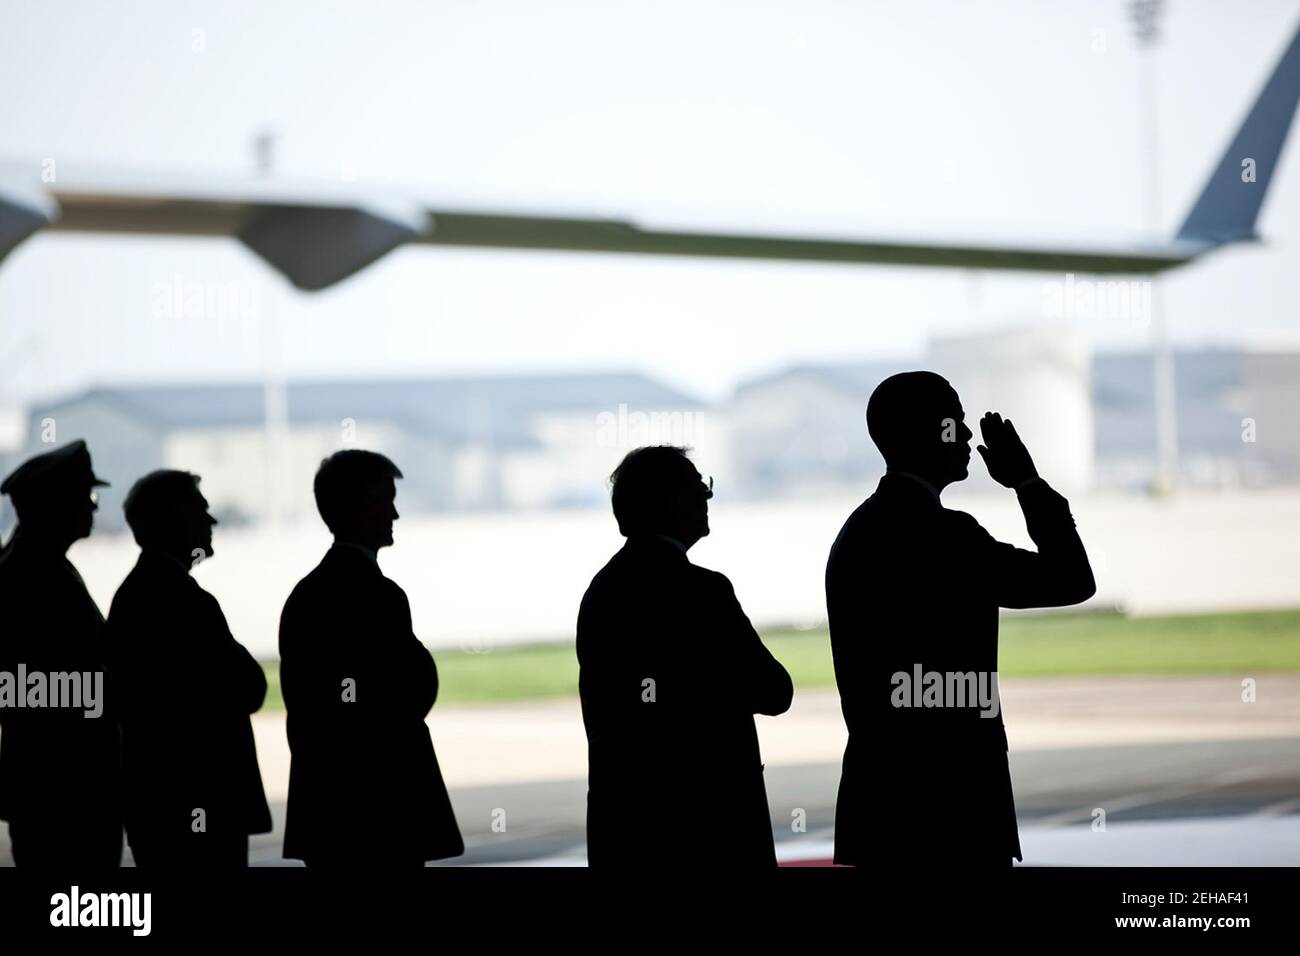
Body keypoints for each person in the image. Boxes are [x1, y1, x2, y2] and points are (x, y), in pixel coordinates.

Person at [826, 371, 1096, 869]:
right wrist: (1027, 483)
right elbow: (1071, 579)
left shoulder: (859, 532)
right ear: (928, 433)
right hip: (955, 809)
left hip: (883, 807)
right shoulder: (947, 535)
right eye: (956, 422)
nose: (968, 435)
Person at [577, 445, 793, 867]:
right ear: (672, 501)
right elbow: (774, 691)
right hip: (712, 827)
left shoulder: (602, 591)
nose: (706, 498)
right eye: (699, 488)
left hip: (628, 827)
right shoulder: (702, 591)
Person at [280, 450, 463, 867]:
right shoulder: (379, 595)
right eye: (385, 499)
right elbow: (410, 692)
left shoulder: (305, 596)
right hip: (383, 808)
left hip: (329, 810)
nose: (395, 513)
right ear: (360, 505)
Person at [105, 470, 271, 867]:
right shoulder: (184, 599)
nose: (210, 521)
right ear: (173, 518)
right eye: (201, 510)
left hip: (163, 802)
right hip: (202, 797)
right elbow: (248, 687)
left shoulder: (137, 593)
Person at [0, 440, 123, 867]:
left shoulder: (40, 567)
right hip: (62, 785)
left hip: (57, 781)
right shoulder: (31, 577)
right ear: (54, 505)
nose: (93, 509)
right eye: (86, 497)